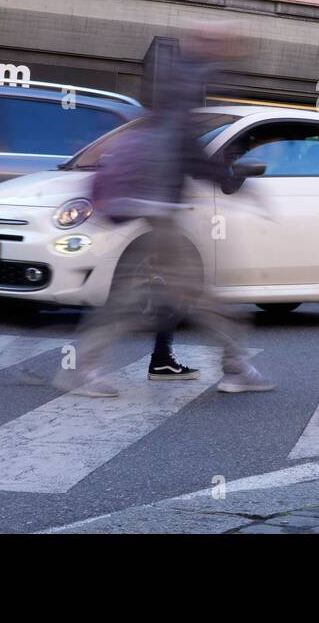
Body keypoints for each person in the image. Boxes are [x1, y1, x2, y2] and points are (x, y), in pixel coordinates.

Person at [73, 21, 274, 398]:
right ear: (212, 43)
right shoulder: (188, 79)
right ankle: (234, 366)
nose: (236, 49)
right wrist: (226, 179)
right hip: (159, 201)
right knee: (188, 294)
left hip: (155, 200)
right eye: (231, 42)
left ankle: (88, 366)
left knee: (172, 292)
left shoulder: (181, 76)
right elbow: (182, 141)